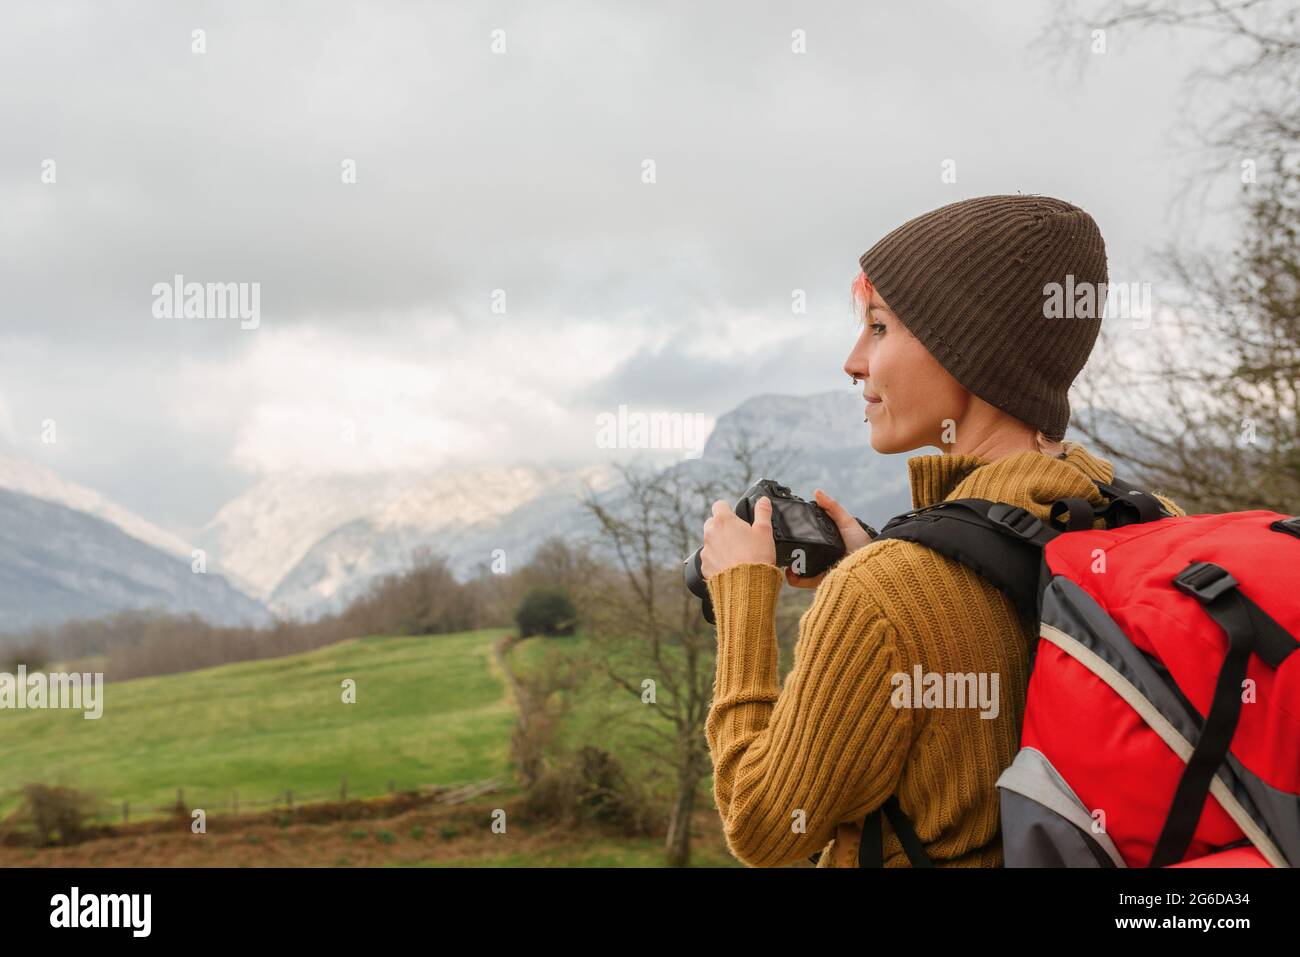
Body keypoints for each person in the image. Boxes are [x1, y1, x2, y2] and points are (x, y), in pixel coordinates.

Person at [699, 194, 1184, 867]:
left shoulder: (884, 597)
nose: (852, 361)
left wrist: (745, 599)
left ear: (968, 350)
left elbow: (761, 825)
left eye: (878, 328)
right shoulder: (1153, 525)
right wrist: (897, 573)